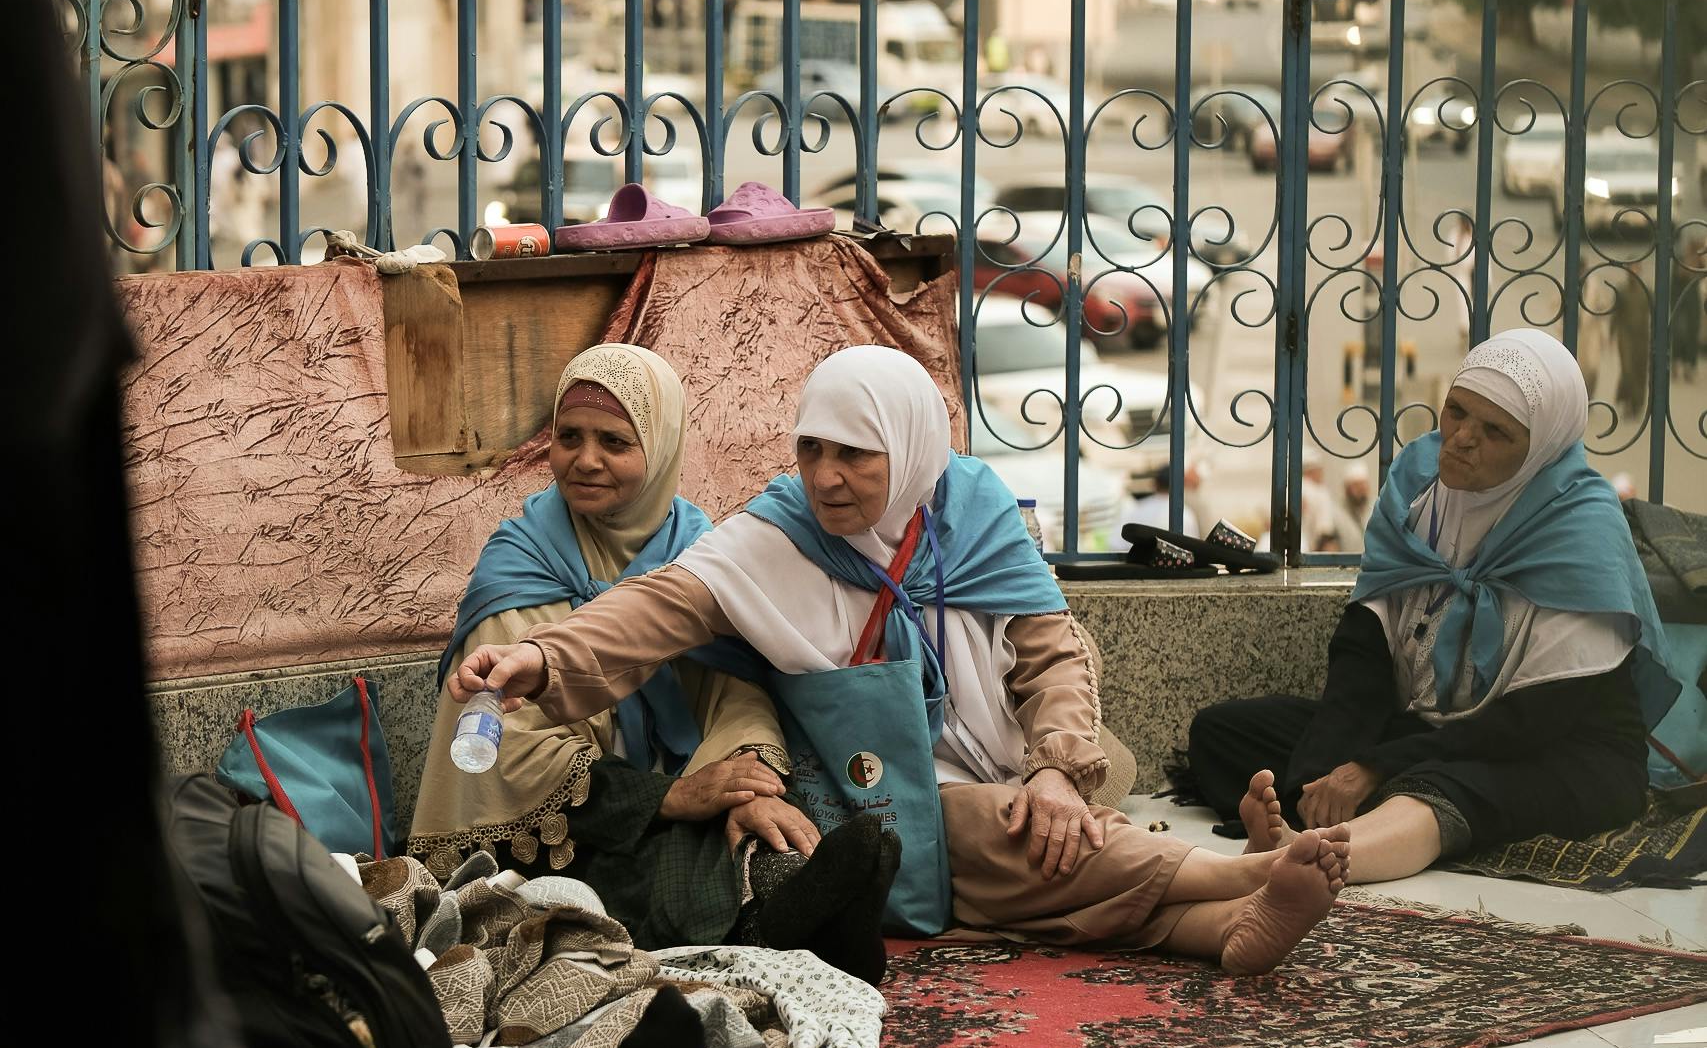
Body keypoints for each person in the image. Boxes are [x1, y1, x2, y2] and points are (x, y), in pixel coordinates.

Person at [449, 347, 1353, 976]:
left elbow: (1050, 653)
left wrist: (1055, 767)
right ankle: (1235, 875)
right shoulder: (778, 530)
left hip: (1001, 754)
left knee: (1047, 810)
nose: (827, 477)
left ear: (910, 447)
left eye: (855, 455)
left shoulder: (968, 503)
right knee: (996, 827)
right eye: (811, 450)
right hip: (861, 777)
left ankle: (1216, 929)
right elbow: (659, 607)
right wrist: (538, 655)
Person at [414, 343, 896, 981]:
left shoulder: (697, 552)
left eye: (615, 442)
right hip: (556, 827)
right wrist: (671, 795)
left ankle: (800, 910)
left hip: (673, 795)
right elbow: (504, 746)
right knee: (618, 880)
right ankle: (793, 929)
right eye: (569, 437)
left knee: (757, 831)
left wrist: (741, 779)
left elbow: (735, 693)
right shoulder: (520, 563)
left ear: (664, 448)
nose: (585, 461)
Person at [1187, 330, 1678, 884]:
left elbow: (1529, 723)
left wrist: (1374, 766)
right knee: (1223, 734)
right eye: (1457, 412)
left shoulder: (1581, 529)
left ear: (1541, 445)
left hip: (1554, 750)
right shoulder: (1419, 486)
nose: (1462, 439)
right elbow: (1362, 655)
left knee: (1435, 788)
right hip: (1425, 729)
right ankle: (1317, 826)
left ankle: (1284, 868)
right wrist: (1318, 775)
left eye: (1496, 432)